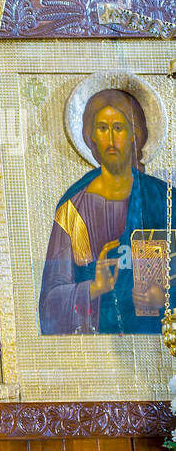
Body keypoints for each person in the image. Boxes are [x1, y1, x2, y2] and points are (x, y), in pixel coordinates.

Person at [39, 89, 170, 334]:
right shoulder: (73, 209)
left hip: (157, 341)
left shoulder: (164, 199)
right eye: (102, 128)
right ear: (91, 138)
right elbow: (50, 302)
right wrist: (94, 287)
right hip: (96, 340)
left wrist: (163, 297)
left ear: (135, 135)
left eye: (118, 128)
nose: (110, 138)